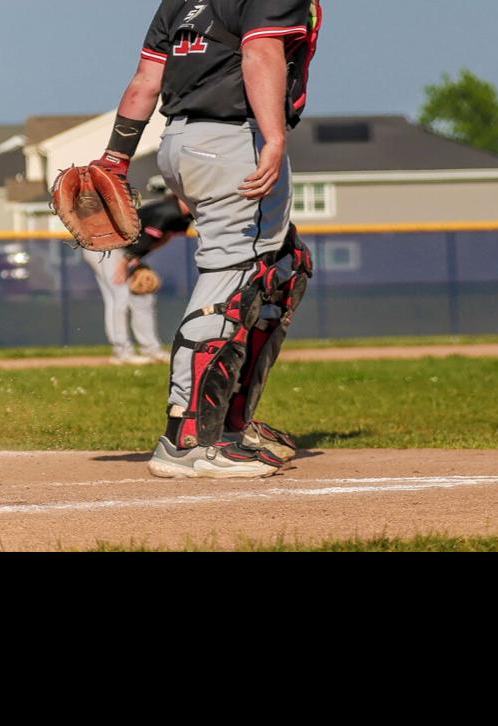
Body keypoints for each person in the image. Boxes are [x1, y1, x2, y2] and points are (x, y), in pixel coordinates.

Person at [94, 0, 322, 479]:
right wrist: (274, 139)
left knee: (283, 265)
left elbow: (146, 81)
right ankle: (189, 440)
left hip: (179, 141)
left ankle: (232, 424)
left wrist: (115, 159)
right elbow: (260, 53)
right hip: (232, 140)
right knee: (233, 278)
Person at [80, 194, 192, 365]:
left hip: (123, 250)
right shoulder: (167, 210)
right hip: (103, 245)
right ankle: (122, 352)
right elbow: (149, 238)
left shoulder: (185, 216)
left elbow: (164, 237)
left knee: (142, 299)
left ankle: (151, 349)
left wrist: (138, 258)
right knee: (119, 296)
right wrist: (125, 263)